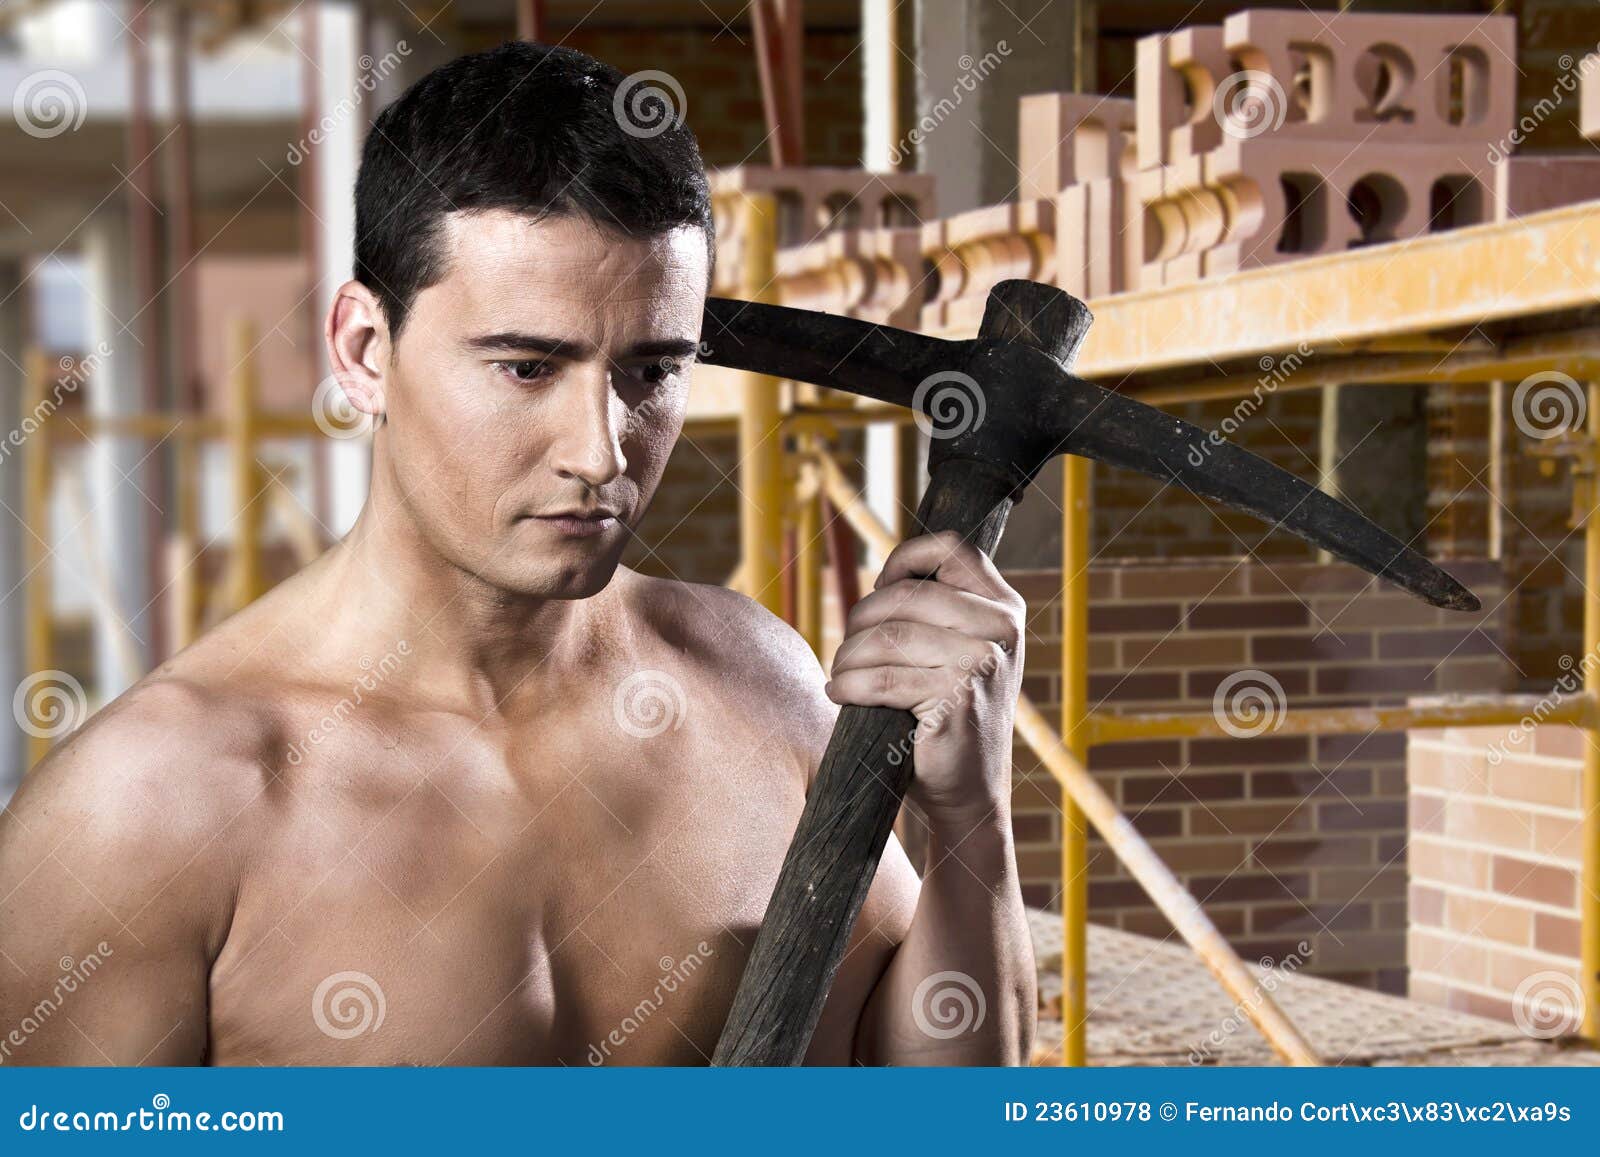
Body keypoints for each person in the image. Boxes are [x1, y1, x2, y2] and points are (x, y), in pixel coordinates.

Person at [0, 41, 1034, 1066]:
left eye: (649, 371)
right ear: (364, 351)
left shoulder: (760, 681)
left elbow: (936, 1108)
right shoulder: (148, 808)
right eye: (528, 367)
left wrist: (971, 821)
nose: (600, 452)